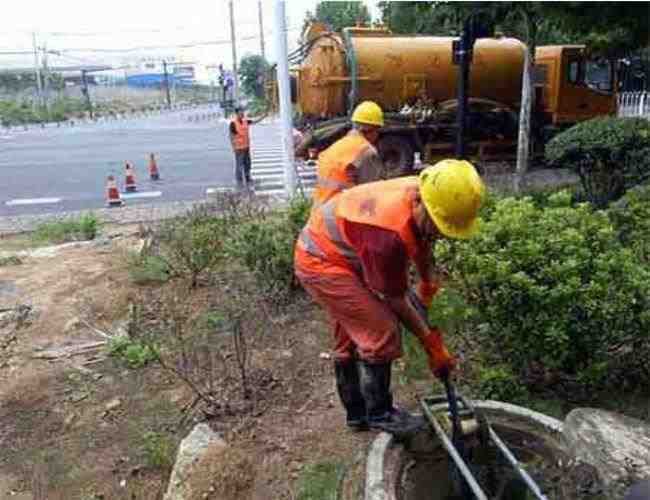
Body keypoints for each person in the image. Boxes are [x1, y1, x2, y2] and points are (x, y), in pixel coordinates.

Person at [294, 159, 485, 433]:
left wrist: (427, 283)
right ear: (423, 204)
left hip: (345, 252)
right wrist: (430, 342)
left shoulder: (424, 192)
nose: (441, 234)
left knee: (352, 334)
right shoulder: (386, 235)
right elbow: (394, 298)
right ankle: (380, 414)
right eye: (440, 226)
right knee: (381, 331)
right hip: (321, 262)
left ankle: (357, 415)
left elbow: (422, 242)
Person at [312, 100, 386, 209]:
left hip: (319, 217)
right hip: (339, 219)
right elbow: (373, 193)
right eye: (378, 131)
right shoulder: (366, 152)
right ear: (371, 130)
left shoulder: (337, 146)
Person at [229, 106, 264, 190]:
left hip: (246, 147)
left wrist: (264, 116)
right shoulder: (233, 123)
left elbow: (255, 121)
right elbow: (231, 136)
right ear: (237, 113)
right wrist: (233, 147)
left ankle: (248, 179)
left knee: (247, 164)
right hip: (238, 148)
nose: (243, 114)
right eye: (241, 112)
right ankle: (239, 181)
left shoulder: (245, 121)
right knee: (239, 165)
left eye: (243, 112)